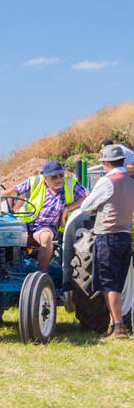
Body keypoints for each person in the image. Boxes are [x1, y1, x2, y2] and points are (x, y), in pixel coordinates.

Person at [76, 144, 134, 340]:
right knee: (117, 282)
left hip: (108, 235)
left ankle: (118, 327)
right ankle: (113, 324)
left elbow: (86, 206)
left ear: (107, 163)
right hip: (125, 235)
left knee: (108, 283)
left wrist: (97, 208)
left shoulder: (107, 182)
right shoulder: (130, 181)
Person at [8, 159, 85, 272]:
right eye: (54, 177)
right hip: (24, 224)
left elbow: (87, 196)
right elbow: (14, 191)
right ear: (45, 179)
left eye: (60, 175)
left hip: (45, 227)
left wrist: (68, 208)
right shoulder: (36, 182)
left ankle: (42, 275)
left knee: (46, 237)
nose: (58, 179)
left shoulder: (70, 183)